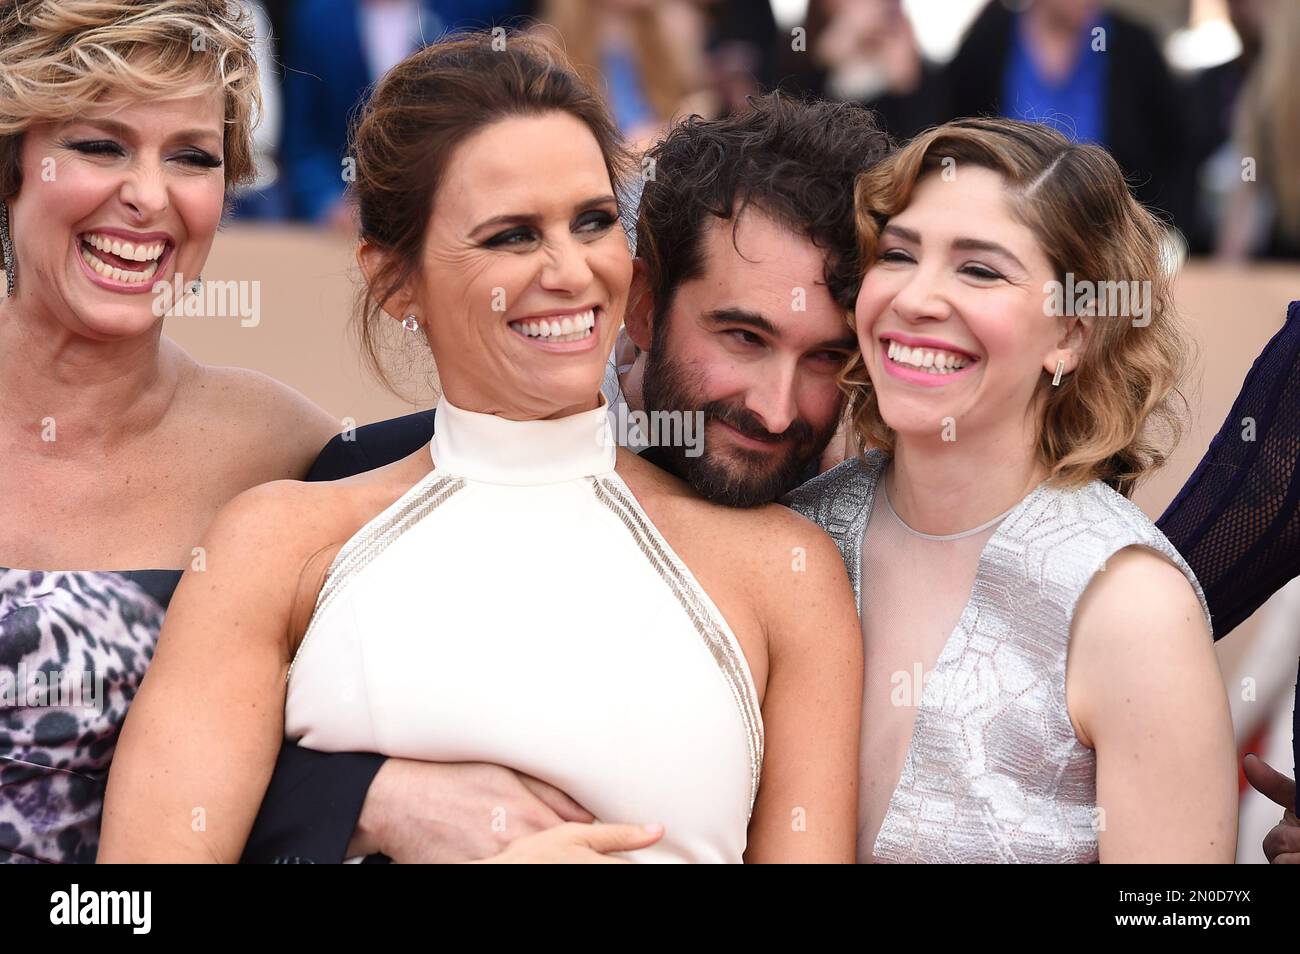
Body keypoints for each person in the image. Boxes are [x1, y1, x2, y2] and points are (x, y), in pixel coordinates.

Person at [98, 31, 864, 864]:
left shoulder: (787, 572)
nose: (570, 269)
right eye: (511, 235)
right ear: (395, 282)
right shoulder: (274, 544)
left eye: (593, 221)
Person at [784, 117, 1238, 862]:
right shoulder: (799, 535)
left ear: (1073, 335)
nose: (918, 298)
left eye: (980, 270)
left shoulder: (1128, 605)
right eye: (897, 255)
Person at [0, 0, 357, 865]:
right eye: (99, 145)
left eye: (192, 158)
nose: (148, 197)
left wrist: (372, 796)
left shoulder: (295, 454)